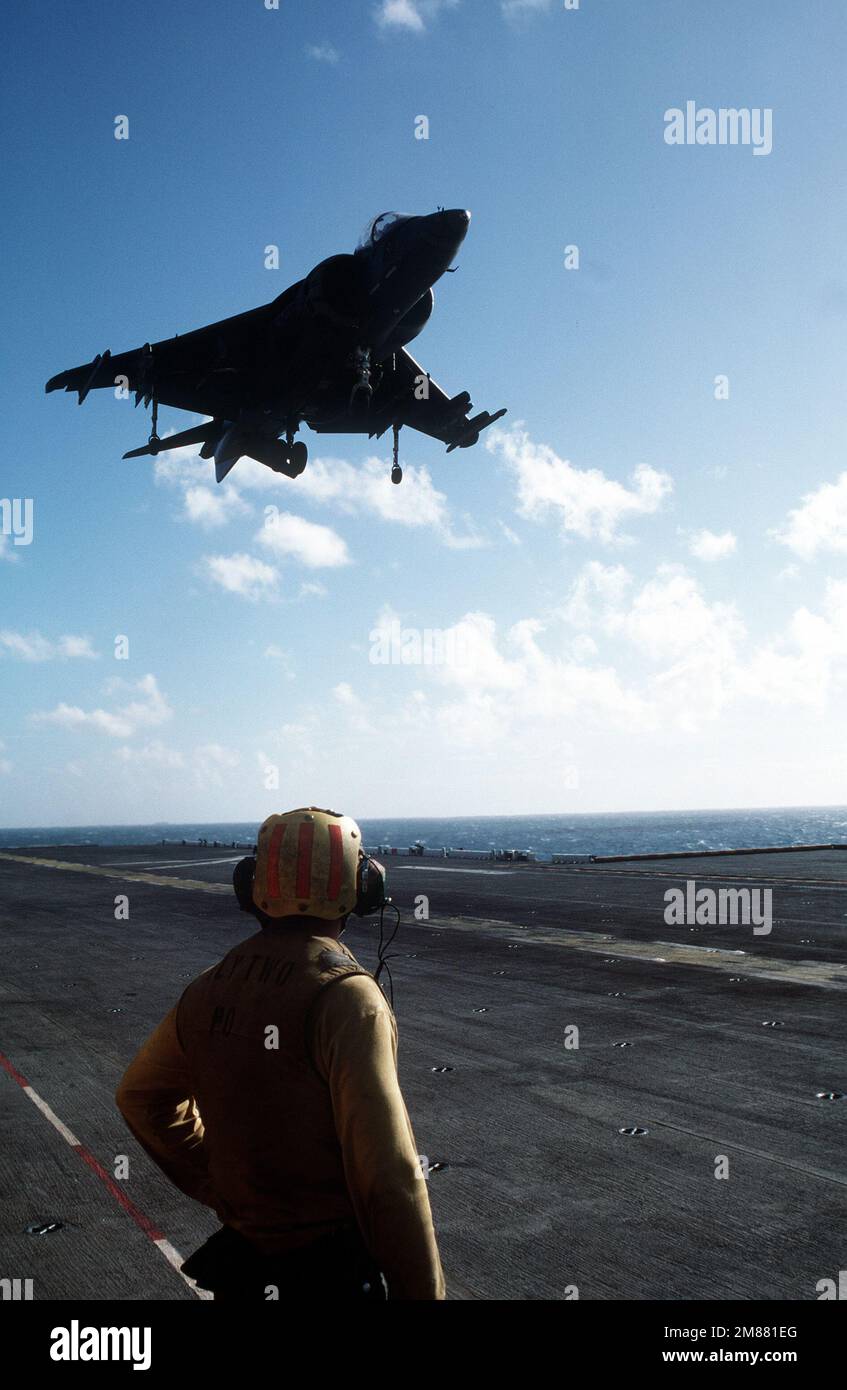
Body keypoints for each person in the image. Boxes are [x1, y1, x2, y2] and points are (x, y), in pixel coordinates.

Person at [115, 806, 446, 1301]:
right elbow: (390, 1179)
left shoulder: (208, 987)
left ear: (252, 886)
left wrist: (223, 1187)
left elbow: (140, 1096)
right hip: (329, 1276)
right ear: (362, 887)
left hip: (244, 1267)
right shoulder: (348, 998)